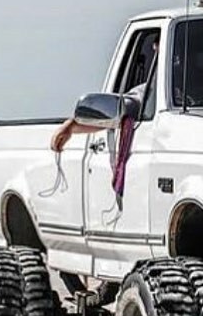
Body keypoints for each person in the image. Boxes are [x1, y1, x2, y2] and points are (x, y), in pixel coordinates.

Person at [50, 36, 158, 197]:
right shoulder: (151, 92)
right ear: (157, 52)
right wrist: (71, 126)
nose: (178, 63)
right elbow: (121, 109)